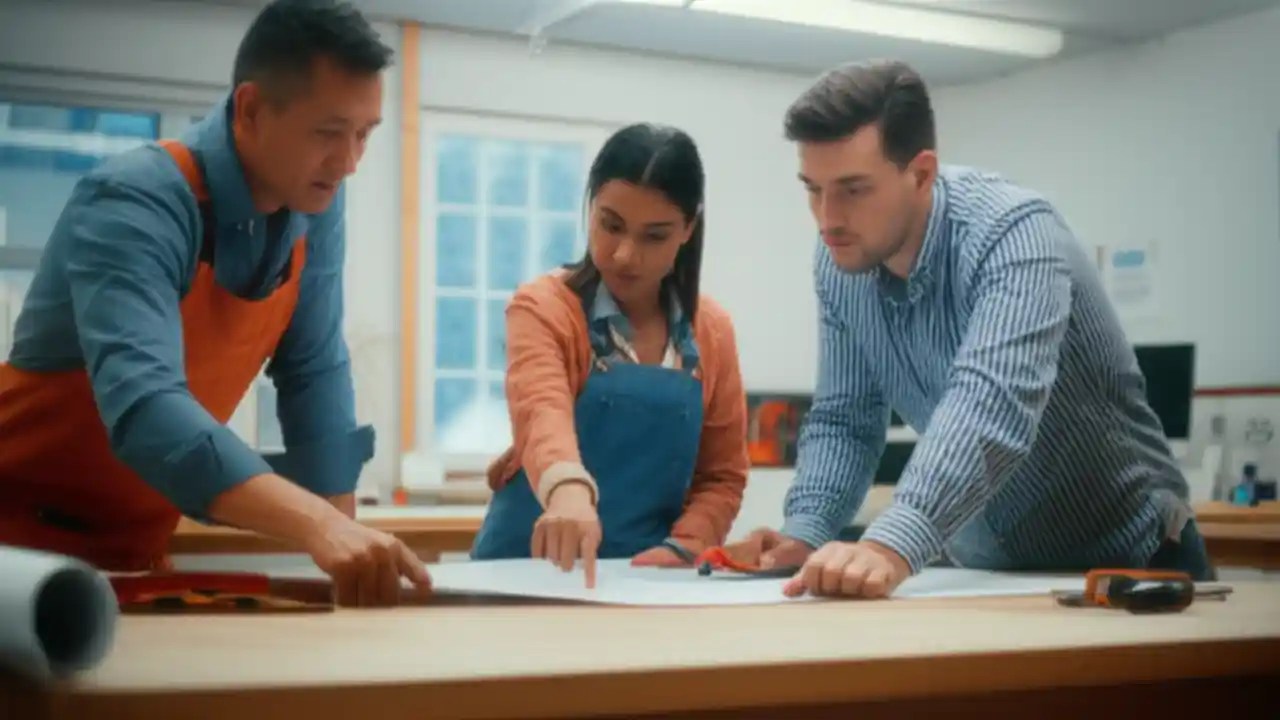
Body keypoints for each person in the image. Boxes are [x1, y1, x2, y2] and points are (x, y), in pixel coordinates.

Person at [0, 0, 432, 607]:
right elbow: (147, 409)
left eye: (365, 134)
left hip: (133, 557)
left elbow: (313, 370)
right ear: (251, 109)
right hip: (10, 550)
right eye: (329, 134)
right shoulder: (134, 198)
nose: (351, 163)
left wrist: (352, 548)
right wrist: (318, 524)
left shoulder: (316, 200)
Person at [727, 59, 1211, 598]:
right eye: (813, 189)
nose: (827, 218)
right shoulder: (843, 258)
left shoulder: (1015, 232)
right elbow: (846, 416)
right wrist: (805, 533)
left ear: (922, 172)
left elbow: (992, 403)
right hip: (987, 574)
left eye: (853, 189)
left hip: (1129, 560)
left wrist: (890, 543)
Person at [472, 123, 749, 587]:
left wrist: (683, 546)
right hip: (523, 572)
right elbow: (541, 413)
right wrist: (566, 492)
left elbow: (721, 477)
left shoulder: (712, 332)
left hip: (647, 583)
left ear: (688, 230)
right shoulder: (544, 307)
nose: (624, 255)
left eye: (654, 236)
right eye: (610, 225)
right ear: (591, 207)